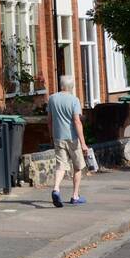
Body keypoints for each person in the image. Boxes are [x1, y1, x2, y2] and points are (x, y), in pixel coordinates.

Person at [47, 77, 88, 207]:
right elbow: (77, 121)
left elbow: (49, 120)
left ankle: (56, 189)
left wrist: (51, 136)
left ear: (61, 85)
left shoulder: (52, 99)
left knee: (61, 165)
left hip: (58, 137)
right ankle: (75, 196)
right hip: (73, 138)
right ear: (72, 87)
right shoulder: (74, 100)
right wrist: (83, 143)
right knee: (77, 167)